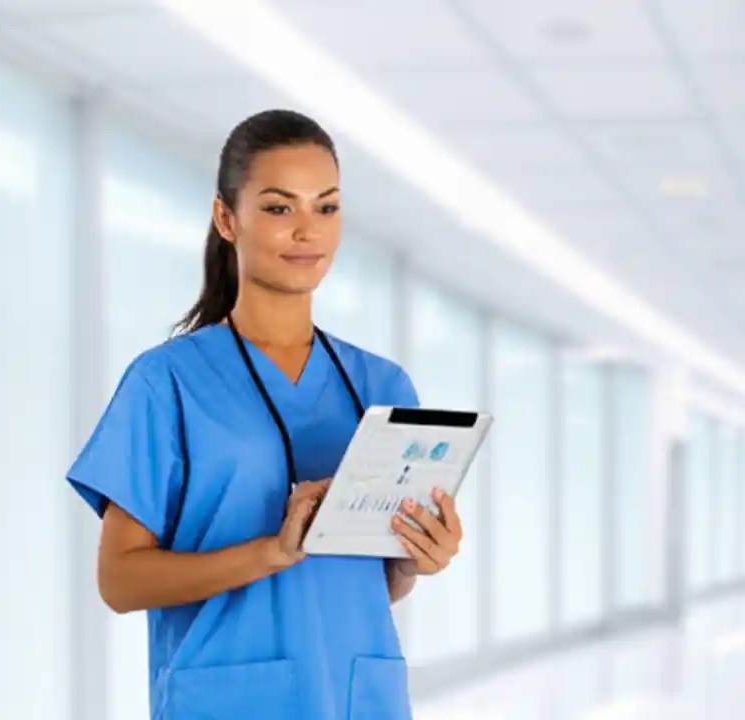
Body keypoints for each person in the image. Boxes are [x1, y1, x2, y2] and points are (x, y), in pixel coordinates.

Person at [66, 109, 463, 720]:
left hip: (356, 696)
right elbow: (120, 582)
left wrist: (415, 558)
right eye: (280, 208)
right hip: (226, 700)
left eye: (326, 207)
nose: (308, 230)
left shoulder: (382, 386)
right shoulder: (167, 381)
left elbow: (375, 584)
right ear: (228, 219)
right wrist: (269, 552)